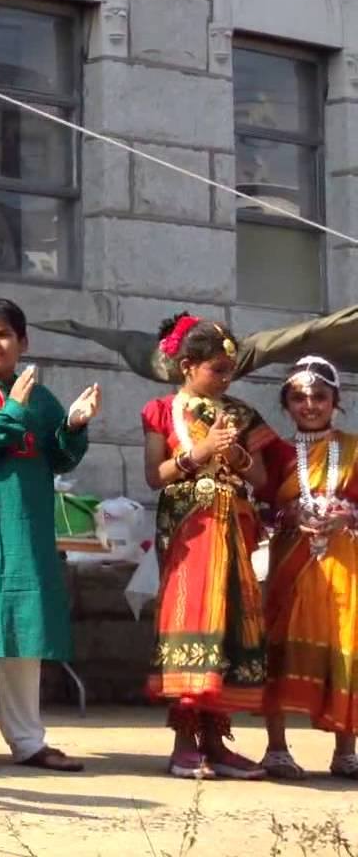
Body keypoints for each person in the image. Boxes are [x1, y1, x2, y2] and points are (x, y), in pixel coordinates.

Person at [0, 298, 100, 774]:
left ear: (22, 343)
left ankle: (28, 741)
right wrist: (11, 410)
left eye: (4, 334)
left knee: (24, 634)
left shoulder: (43, 399)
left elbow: (61, 458)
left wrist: (73, 424)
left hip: (27, 532)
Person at [143, 314, 274, 779]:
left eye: (229, 370)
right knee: (192, 618)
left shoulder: (241, 415)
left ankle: (217, 742)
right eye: (216, 369)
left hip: (233, 531)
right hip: (188, 534)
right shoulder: (162, 411)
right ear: (187, 367)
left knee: (229, 627)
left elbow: (259, 478)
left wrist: (235, 453)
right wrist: (198, 454)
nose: (225, 378)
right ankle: (184, 742)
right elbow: (153, 475)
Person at [257, 357, 358, 780]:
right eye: (298, 397)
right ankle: (277, 748)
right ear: (287, 404)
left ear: (336, 401)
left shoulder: (354, 449)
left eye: (319, 396)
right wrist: (288, 513)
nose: (309, 404)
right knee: (277, 643)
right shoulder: (275, 451)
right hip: (290, 562)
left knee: (346, 643)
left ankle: (345, 750)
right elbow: (261, 507)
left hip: (343, 561)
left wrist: (348, 517)